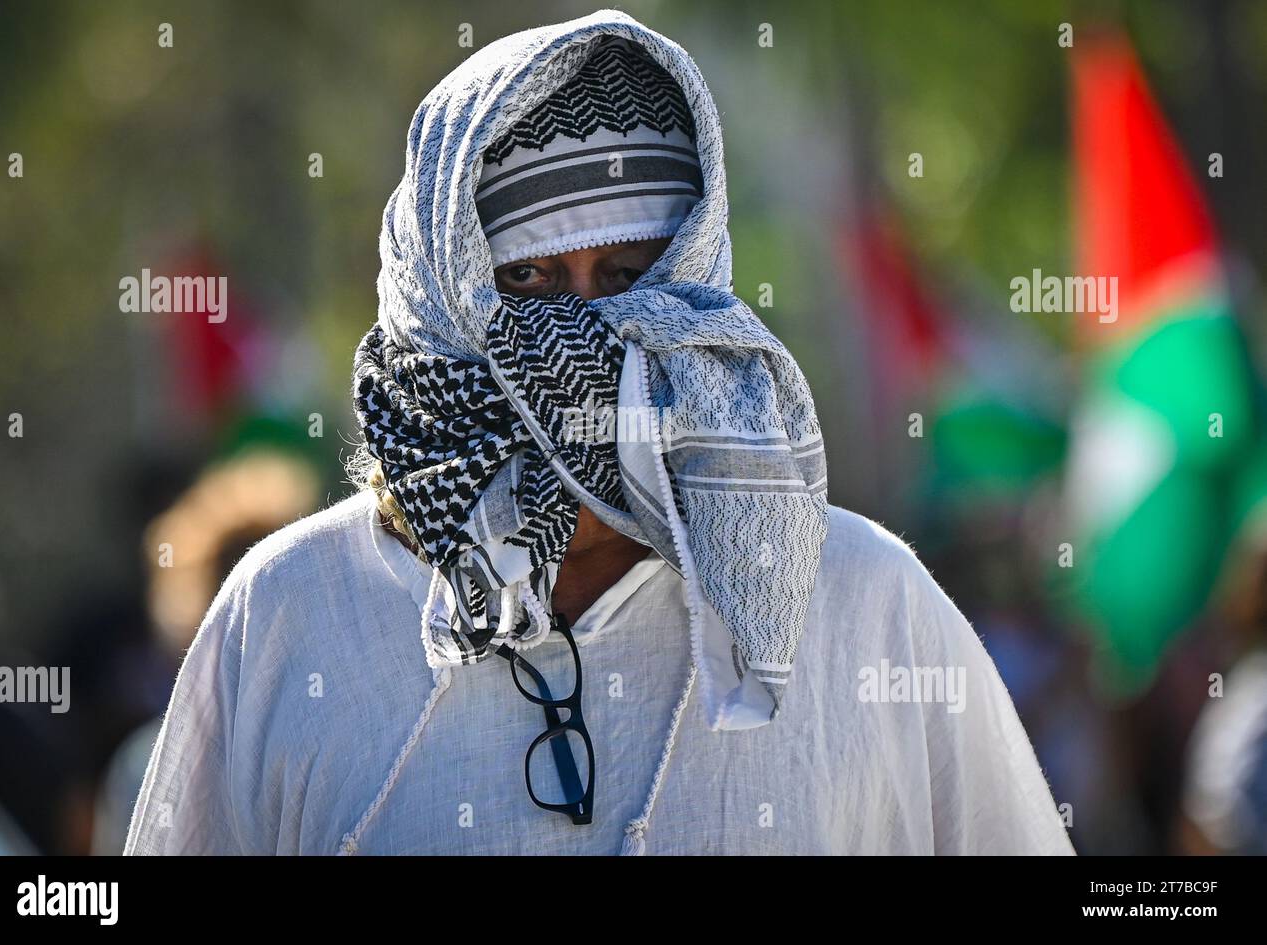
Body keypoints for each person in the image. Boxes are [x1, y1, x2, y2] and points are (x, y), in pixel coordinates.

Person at [125, 10, 1073, 855]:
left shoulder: (870, 608)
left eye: (625, 278)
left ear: (697, 282)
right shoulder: (290, 618)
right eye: (525, 283)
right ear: (435, 301)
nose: (574, 342)